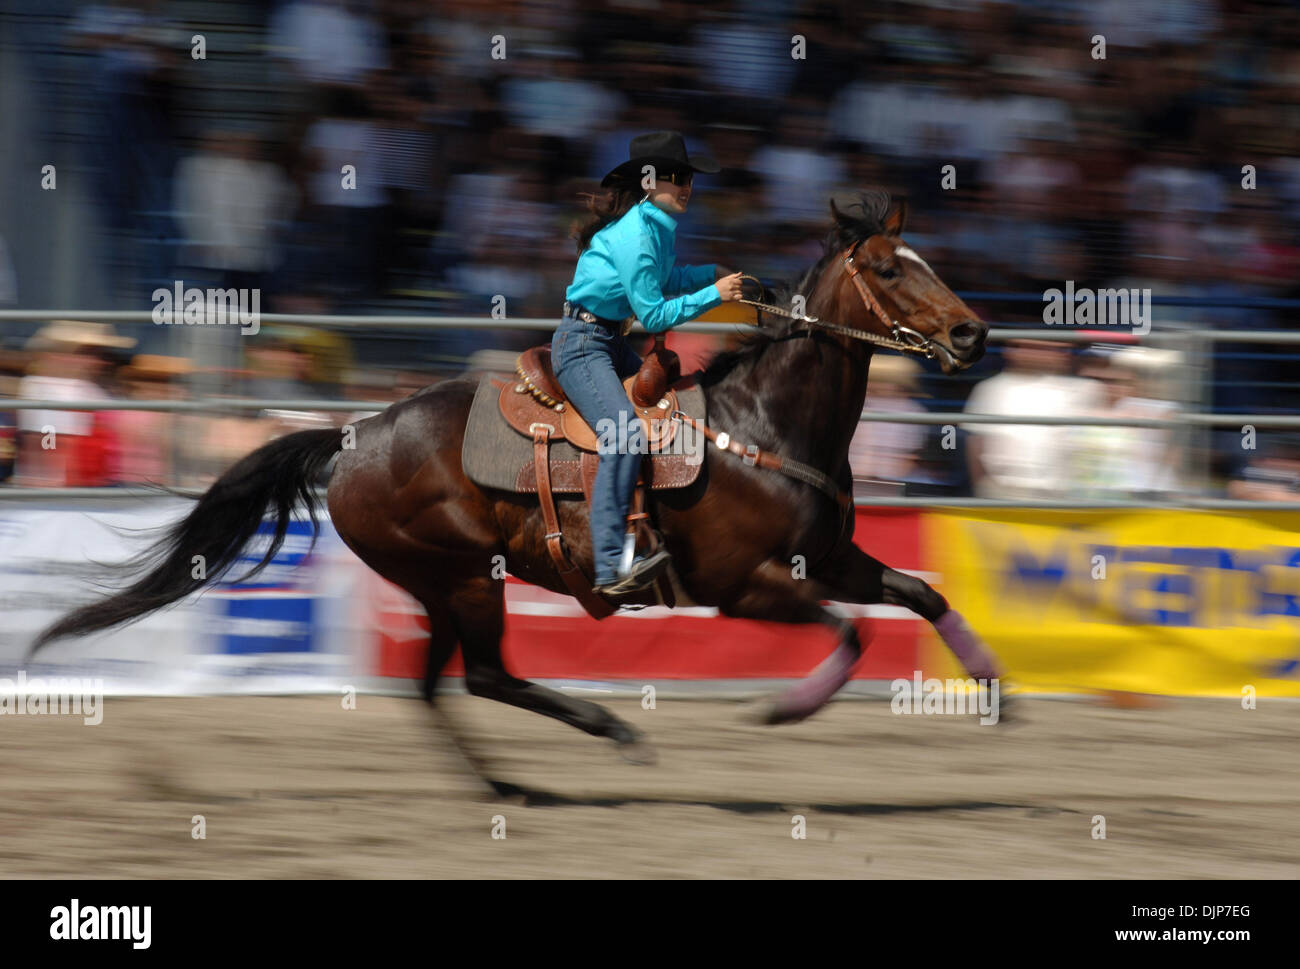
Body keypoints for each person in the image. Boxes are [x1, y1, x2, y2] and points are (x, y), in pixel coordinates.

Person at [554, 131, 746, 596]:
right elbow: (654, 313)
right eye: (676, 178)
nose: (686, 186)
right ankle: (608, 567)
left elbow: (666, 278)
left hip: (604, 340)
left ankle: (652, 533)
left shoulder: (654, 225)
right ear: (648, 182)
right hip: (583, 345)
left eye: (689, 179)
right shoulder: (638, 235)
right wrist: (715, 295)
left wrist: (709, 274)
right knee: (622, 433)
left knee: (674, 409)